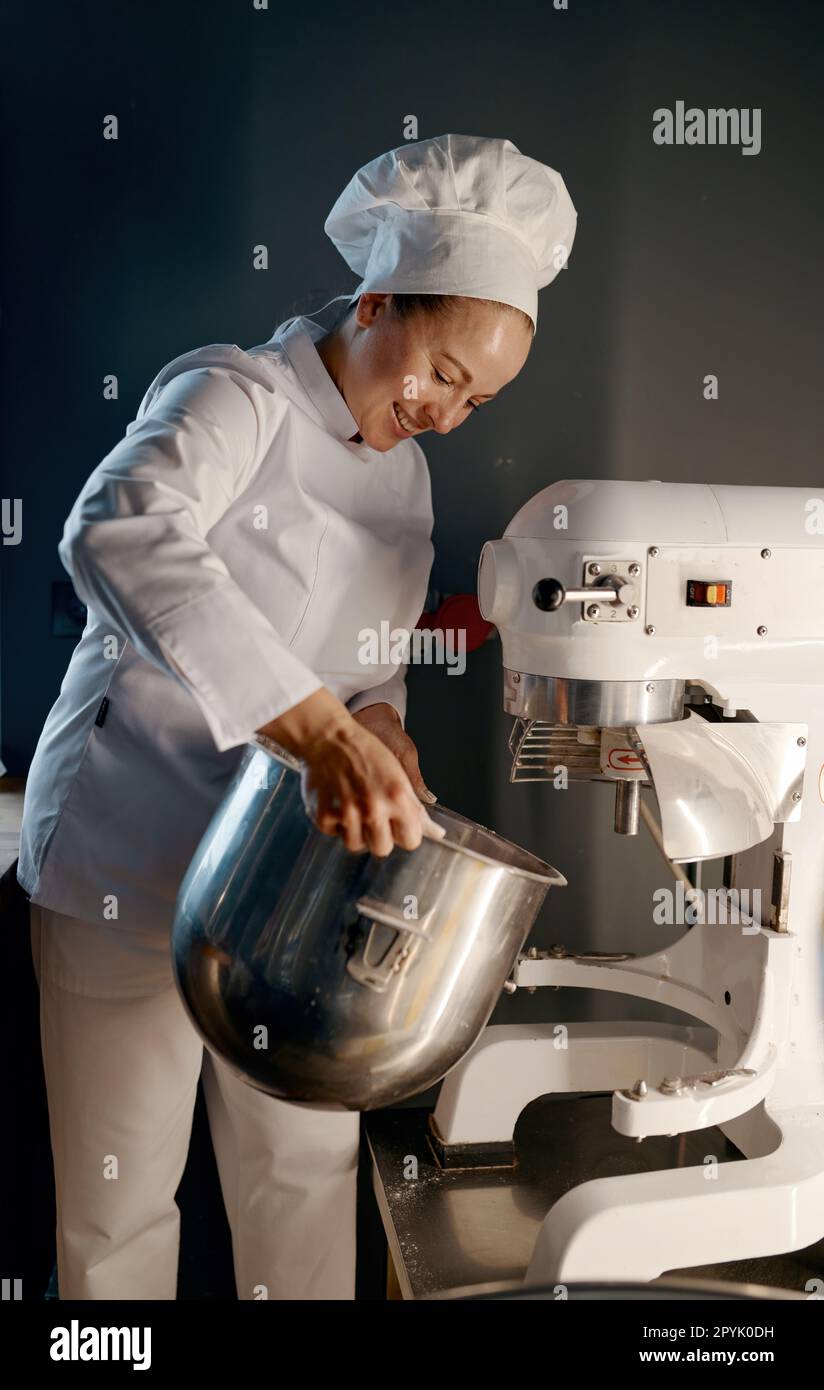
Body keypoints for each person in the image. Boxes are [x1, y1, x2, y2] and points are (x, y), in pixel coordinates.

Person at [18, 133, 577, 1300]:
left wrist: (379, 725)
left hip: (286, 891)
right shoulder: (233, 394)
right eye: (438, 372)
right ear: (375, 299)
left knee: (305, 1176)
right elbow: (115, 531)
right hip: (129, 852)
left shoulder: (406, 475)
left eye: (473, 399)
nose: (444, 414)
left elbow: (369, 663)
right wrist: (314, 729)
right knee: (117, 1212)